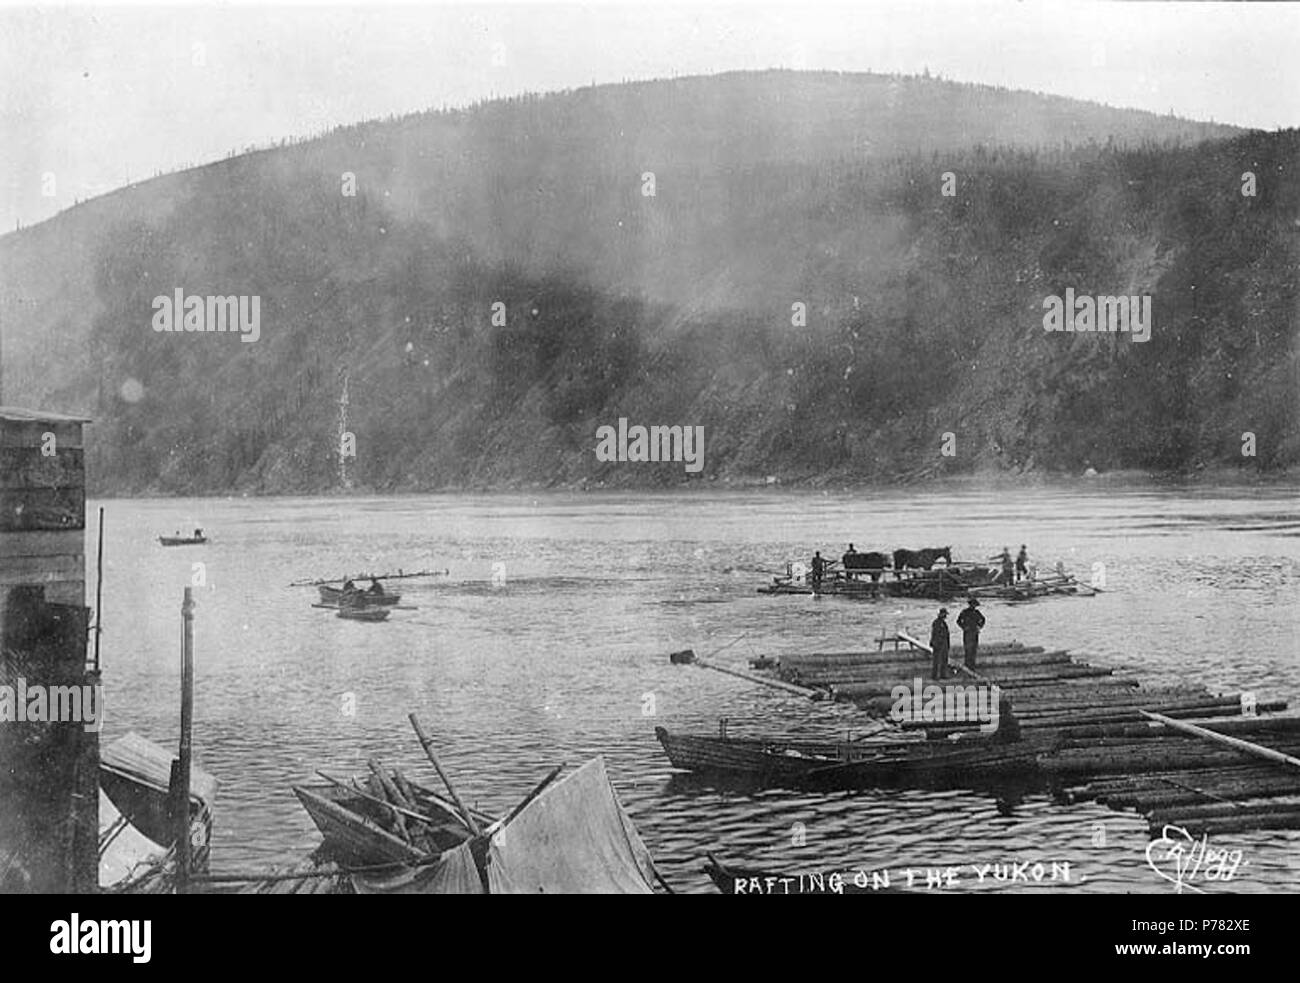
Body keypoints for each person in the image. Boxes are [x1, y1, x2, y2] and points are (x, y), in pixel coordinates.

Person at [956, 597, 985, 669]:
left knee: (974, 649)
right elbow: (958, 621)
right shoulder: (965, 612)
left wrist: (979, 626)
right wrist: (964, 627)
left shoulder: (977, 612)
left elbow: (983, 619)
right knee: (967, 649)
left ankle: (972, 664)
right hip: (967, 633)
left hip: (975, 632)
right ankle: (967, 664)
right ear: (970, 604)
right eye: (972, 604)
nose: (973, 606)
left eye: (975, 605)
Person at [929, 608, 950, 679]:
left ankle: (943, 674)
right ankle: (935, 675)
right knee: (937, 660)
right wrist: (933, 642)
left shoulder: (943, 623)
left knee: (944, 659)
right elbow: (934, 634)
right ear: (941, 614)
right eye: (944, 614)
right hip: (938, 643)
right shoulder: (936, 622)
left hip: (944, 644)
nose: (945, 616)